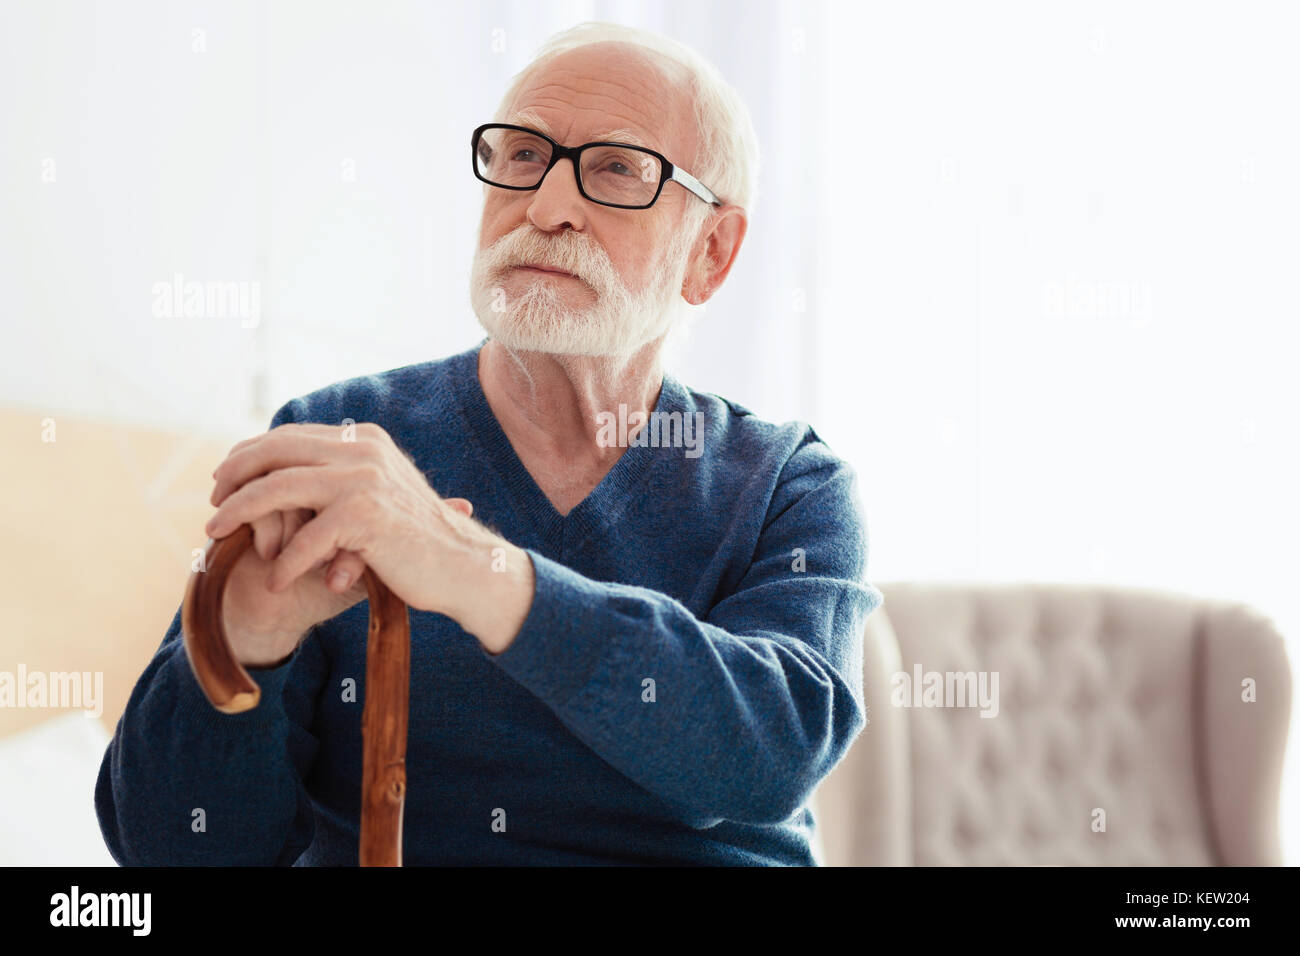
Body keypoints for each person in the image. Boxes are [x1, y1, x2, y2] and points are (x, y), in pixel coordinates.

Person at [95, 21, 882, 866]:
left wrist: (474, 571)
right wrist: (240, 650)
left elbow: (770, 751)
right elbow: (170, 851)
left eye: (616, 169)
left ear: (712, 252)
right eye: (520, 156)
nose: (546, 207)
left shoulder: (789, 484)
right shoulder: (336, 446)